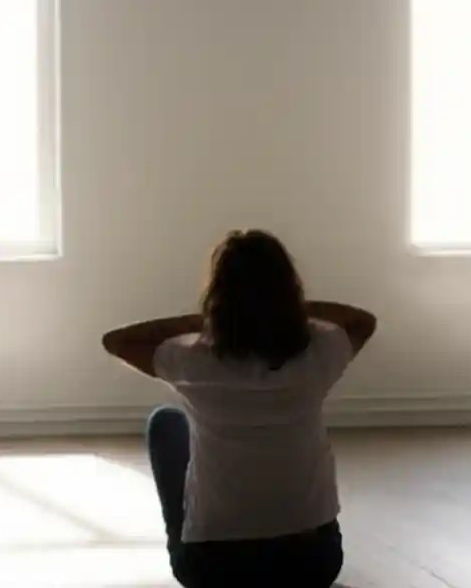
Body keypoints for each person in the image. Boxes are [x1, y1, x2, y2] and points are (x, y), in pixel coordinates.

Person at [102, 229, 377, 588]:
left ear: (217, 295)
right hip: (313, 565)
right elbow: (362, 321)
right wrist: (283, 311)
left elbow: (117, 340)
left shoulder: (193, 362)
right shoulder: (321, 353)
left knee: (166, 424)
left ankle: (187, 536)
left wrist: (212, 318)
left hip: (213, 570)